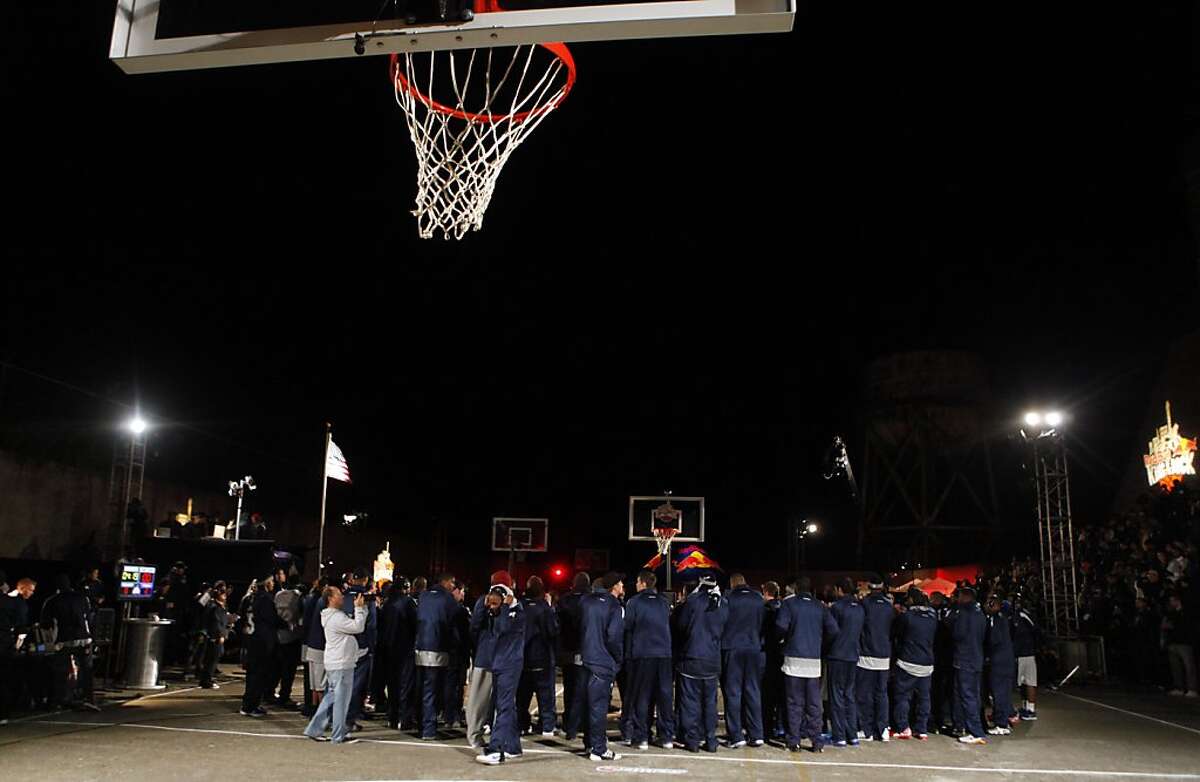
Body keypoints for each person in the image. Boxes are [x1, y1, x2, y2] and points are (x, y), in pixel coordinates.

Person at [776, 576, 838, 753]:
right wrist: (821, 646)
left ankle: (794, 741)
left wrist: (782, 641)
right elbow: (833, 630)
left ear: (796, 588)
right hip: (813, 661)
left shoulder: (789, 604)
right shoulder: (820, 606)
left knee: (794, 703)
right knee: (814, 704)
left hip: (793, 659)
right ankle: (816, 742)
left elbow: (781, 626)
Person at [303, 586, 367, 744]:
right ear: (330, 598)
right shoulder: (337, 618)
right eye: (339, 595)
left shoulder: (332, 616)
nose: (343, 597)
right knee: (341, 700)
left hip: (336, 662)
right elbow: (358, 627)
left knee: (330, 698)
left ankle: (314, 729)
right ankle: (338, 735)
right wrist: (359, 609)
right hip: (341, 664)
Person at [675, 575, 728, 754]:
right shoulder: (722, 604)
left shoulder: (692, 602)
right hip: (712, 660)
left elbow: (681, 627)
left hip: (692, 658)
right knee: (709, 703)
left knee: (690, 702)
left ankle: (693, 740)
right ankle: (711, 739)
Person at [624, 570, 675, 751]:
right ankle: (666, 736)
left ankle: (641, 737)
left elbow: (628, 626)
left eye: (638, 582)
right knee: (665, 697)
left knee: (642, 697)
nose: (636, 585)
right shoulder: (664, 602)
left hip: (643, 654)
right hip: (664, 655)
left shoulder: (634, 602)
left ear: (643, 583)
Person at [475, 583, 526, 765]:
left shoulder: (518, 613)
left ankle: (496, 750)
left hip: (510, 666)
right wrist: (485, 605)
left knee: (503, 707)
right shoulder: (496, 613)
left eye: (495, 603)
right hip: (498, 664)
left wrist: (504, 606)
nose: (492, 606)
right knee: (507, 706)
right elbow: (476, 624)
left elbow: (504, 627)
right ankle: (513, 747)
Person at [578, 572, 626, 761]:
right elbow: (614, 636)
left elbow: (580, 626)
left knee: (587, 704)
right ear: (613, 586)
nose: (623, 586)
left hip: (586, 658)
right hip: (603, 661)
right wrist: (617, 658)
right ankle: (598, 748)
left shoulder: (586, 601)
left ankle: (590, 743)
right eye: (620, 583)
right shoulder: (614, 605)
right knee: (599, 706)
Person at [467, 570, 514, 748]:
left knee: (477, 701)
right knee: (505, 701)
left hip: (485, 656)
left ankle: (474, 736)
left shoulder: (483, 600)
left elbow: (474, 628)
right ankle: (502, 738)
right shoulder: (513, 602)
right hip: (505, 658)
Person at [720, 573, 765, 748]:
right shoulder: (758, 598)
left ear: (732, 584)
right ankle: (756, 733)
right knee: (753, 691)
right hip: (753, 648)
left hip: (732, 648)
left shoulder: (729, 599)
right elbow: (763, 623)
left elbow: (722, 622)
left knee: (733, 692)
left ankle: (736, 734)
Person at [415, 572, 460, 740]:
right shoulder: (448, 599)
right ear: (445, 582)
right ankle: (429, 728)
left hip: (420, 647)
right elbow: (453, 623)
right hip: (438, 649)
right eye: (452, 582)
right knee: (434, 690)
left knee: (423, 689)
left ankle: (421, 724)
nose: (453, 586)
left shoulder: (423, 596)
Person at [41, 574, 96, 711]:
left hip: (64, 640)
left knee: (60, 670)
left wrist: (48, 643)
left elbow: (46, 624)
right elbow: (89, 618)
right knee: (86, 669)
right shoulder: (82, 598)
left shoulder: (52, 601)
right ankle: (88, 697)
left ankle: (56, 701)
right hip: (84, 638)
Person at [890, 588, 937, 740]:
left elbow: (896, 633)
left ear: (911, 600)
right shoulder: (933, 616)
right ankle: (922, 728)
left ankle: (904, 727)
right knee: (924, 697)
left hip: (907, 662)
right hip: (927, 663)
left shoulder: (907, 617)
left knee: (902, 696)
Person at [517, 576, 559, 736]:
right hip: (542, 658)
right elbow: (553, 631)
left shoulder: (520, 606)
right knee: (546, 695)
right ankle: (547, 725)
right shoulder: (544, 608)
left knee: (522, 696)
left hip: (523, 658)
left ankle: (522, 724)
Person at [825, 577, 864, 747]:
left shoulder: (837, 607)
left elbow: (831, 631)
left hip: (838, 655)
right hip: (853, 655)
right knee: (849, 695)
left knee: (836, 696)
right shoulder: (860, 608)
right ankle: (852, 735)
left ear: (839, 589)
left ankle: (839, 735)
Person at [855, 576, 894, 743]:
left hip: (866, 654)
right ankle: (883, 729)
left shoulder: (865, 604)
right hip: (884, 654)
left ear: (870, 586)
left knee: (865, 694)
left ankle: (867, 729)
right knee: (882, 693)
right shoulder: (888, 606)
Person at [948, 586, 988, 745]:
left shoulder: (964, 613)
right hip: (976, 658)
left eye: (959, 597)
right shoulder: (980, 613)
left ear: (965, 597)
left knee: (968, 696)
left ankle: (975, 731)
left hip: (965, 659)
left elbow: (958, 634)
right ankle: (966, 726)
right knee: (973, 695)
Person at [340, 570, 378, 730]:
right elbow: (371, 626)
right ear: (365, 580)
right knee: (356, 686)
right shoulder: (367, 599)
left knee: (338, 684)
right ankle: (348, 720)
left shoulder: (341, 597)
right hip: (361, 647)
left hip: (341, 646)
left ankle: (334, 718)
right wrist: (371, 647)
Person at [380, 576, 418, 729]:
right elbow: (415, 624)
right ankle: (405, 718)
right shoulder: (408, 603)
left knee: (392, 684)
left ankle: (392, 716)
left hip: (388, 649)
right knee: (405, 685)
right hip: (404, 648)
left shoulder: (387, 603)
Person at [557, 571, 590, 741]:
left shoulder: (564, 600)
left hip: (567, 651)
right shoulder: (589, 601)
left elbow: (558, 626)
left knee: (569, 689)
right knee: (584, 690)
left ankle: (569, 722)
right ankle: (580, 724)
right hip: (583, 650)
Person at [241, 574, 279, 717]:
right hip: (261, 641)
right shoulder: (266, 599)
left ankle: (247, 704)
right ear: (266, 583)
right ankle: (251, 706)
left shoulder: (249, 598)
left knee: (251, 674)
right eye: (271, 582)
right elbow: (272, 619)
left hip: (250, 639)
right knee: (259, 675)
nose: (273, 584)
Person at [984, 594, 1016, 734]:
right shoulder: (1003, 618)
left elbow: (994, 640)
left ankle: (1001, 724)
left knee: (999, 692)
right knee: (1003, 691)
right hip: (1006, 660)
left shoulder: (997, 619)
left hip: (1000, 661)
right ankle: (1005, 717)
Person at [272, 578, 304, 709]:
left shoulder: (278, 595)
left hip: (278, 635)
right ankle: (284, 696)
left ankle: (269, 692)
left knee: (276, 668)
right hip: (291, 636)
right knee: (288, 670)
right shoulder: (297, 597)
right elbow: (301, 616)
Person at [301, 578, 330, 717]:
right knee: (319, 685)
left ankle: (312, 710)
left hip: (311, 644)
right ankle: (319, 715)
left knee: (314, 685)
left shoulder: (313, 599)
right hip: (318, 647)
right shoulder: (321, 602)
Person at [760, 581, 785, 742]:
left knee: (767, 696)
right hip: (782, 656)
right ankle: (781, 726)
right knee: (781, 694)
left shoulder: (765, 610)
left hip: (767, 656)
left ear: (766, 592)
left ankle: (767, 728)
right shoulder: (783, 608)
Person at [1011, 595, 1041, 720]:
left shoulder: (1022, 615)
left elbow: (1036, 631)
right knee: (1025, 682)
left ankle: (1031, 709)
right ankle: (1026, 707)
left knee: (1029, 681)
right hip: (1025, 652)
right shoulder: (1022, 615)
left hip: (1025, 653)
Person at [1163, 593, 1198, 697]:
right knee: (1176, 666)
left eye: (1172, 601)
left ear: (1177, 601)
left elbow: (1186, 625)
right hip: (1173, 641)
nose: (1171, 603)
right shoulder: (1171, 613)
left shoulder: (1186, 612)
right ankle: (1179, 687)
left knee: (1189, 666)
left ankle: (1192, 688)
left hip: (1184, 642)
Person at [199, 588, 232, 689]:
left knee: (214, 658)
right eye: (223, 594)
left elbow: (223, 621)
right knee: (212, 659)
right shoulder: (215, 607)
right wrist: (220, 635)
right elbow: (216, 623)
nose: (225, 596)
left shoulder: (222, 607)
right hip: (214, 637)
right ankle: (206, 680)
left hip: (218, 635)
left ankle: (207, 678)